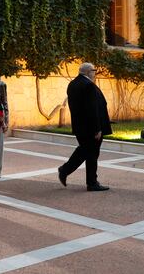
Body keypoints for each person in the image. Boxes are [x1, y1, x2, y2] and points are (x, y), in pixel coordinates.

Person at [57, 63, 111, 192]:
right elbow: (91, 109)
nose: (95, 73)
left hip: (80, 126)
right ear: (88, 72)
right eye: (94, 70)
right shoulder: (88, 85)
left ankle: (69, 172)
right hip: (90, 128)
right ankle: (89, 182)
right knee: (91, 154)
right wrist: (97, 128)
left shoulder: (73, 84)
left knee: (85, 151)